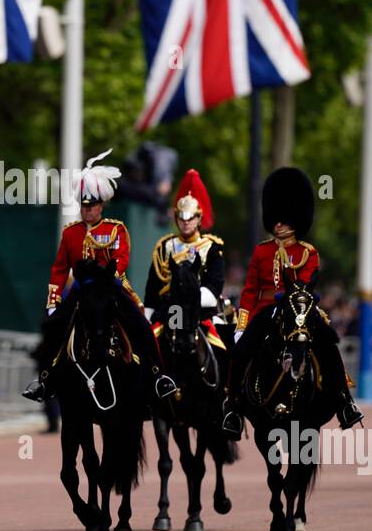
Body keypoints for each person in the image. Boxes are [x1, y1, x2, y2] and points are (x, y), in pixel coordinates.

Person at [21, 148, 177, 406]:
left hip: (111, 287)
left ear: (101, 205)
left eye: (91, 206)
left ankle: (158, 375)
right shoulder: (71, 233)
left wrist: (107, 277)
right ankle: (45, 380)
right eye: (83, 205)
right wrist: (53, 300)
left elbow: (122, 259)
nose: (87, 210)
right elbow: (59, 268)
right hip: (81, 289)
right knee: (53, 327)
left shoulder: (115, 229)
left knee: (140, 324)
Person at [224, 167, 363, 437]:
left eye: (285, 218)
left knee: (329, 346)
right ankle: (233, 407)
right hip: (264, 312)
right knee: (240, 353)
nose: (278, 223)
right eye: (276, 218)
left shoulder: (308, 253)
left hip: (300, 311)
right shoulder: (261, 251)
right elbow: (250, 292)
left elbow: (306, 286)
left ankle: (344, 402)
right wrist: (242, 325)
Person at [144, 168, 227, 349]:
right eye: (181, 217)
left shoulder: (211, 247)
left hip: (201, 311)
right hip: (171, 311)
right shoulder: (165, 246)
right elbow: (153, 287)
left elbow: (214, 287)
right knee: (148, 347)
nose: (186, 222)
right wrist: (148, 314)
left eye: (190, 218)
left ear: (199, 218)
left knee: (222, 347)